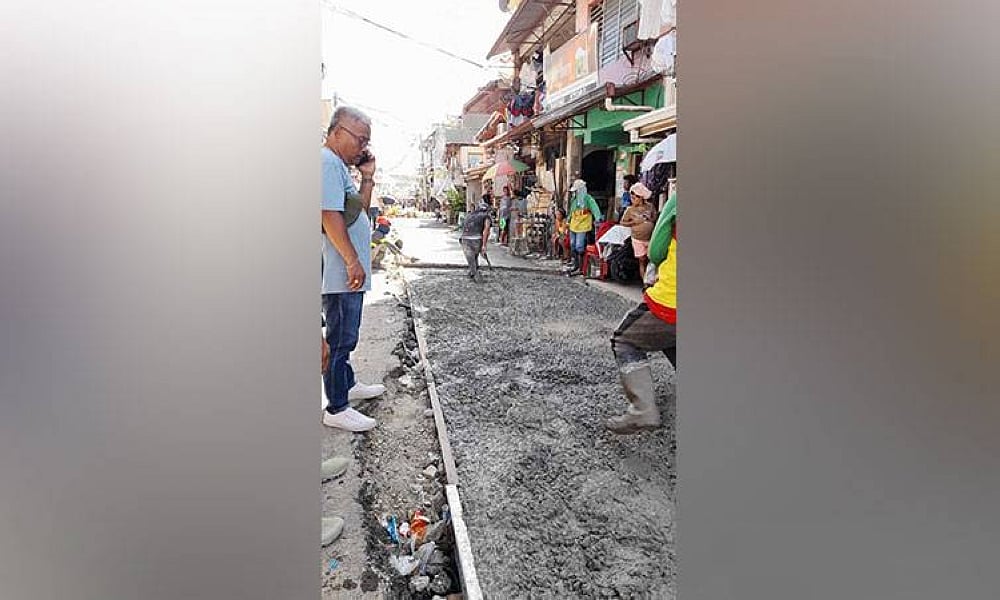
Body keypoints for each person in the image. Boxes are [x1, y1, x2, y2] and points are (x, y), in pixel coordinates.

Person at [321, 106, 385, 432]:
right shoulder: (326, 162)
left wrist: (368, 176)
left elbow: (357, 208)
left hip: (348, 272)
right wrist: (351, 259)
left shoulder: (340, 167)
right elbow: (328, 215)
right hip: (338, 273)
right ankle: (336, 406)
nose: (362, 147)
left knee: (348, 336)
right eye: (359, 139)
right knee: (339, 338)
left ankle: (346, 385)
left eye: (366, 142)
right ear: (337, 131)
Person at [606, 186, 676, 434]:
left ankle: (643, 410)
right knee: (669, 338)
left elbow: (657, 251)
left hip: (674, 299)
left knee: (624, 340)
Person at [619, 181, 658, 279]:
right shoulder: (629, 210)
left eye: (634, 197)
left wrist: (649, 219)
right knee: (642, 259)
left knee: (652, 258)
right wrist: (634, 222)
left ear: (641, 197)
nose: (632, 200)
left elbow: (655, 218)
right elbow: (622, 222)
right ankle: (644, 281)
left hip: (650, 238)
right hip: (637, 239)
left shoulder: (650, 206)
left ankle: (651, 279)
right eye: (631, 198)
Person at [566, 179, 602, 276]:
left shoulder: (588, 199)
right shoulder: (574, 199)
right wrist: (568, 220)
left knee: (579, 246)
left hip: (583, 225)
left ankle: (582, 267)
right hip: (573, 224)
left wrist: (598, 218)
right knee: (572, 244)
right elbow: (571, 211)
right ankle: (576, 264)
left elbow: (595, 209)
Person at [459, 196, 493, 281]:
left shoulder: (470, 215)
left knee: (472, 258)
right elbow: (486, 230)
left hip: (465, 238)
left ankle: (473, 271)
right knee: (474, 256)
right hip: (476, 239)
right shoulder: (486, 216)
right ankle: (475, 274)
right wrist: (484, 245)